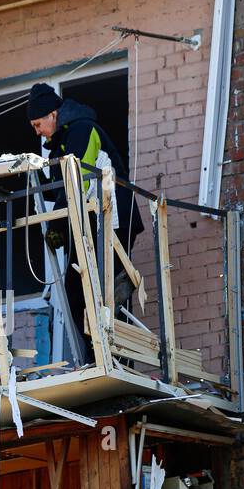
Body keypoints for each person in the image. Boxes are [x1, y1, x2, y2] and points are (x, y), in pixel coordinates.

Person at [26, 82, 143, 359]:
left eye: (38, 124)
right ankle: (99, 354)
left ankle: (113, 356)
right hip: (92, 225)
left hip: (113, 220)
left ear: (53, 114)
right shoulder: (58, 147)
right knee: (80, 289)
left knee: (106, 288)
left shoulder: (83, 130)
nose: (37, 132)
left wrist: (56, 227)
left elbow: (76, 182)